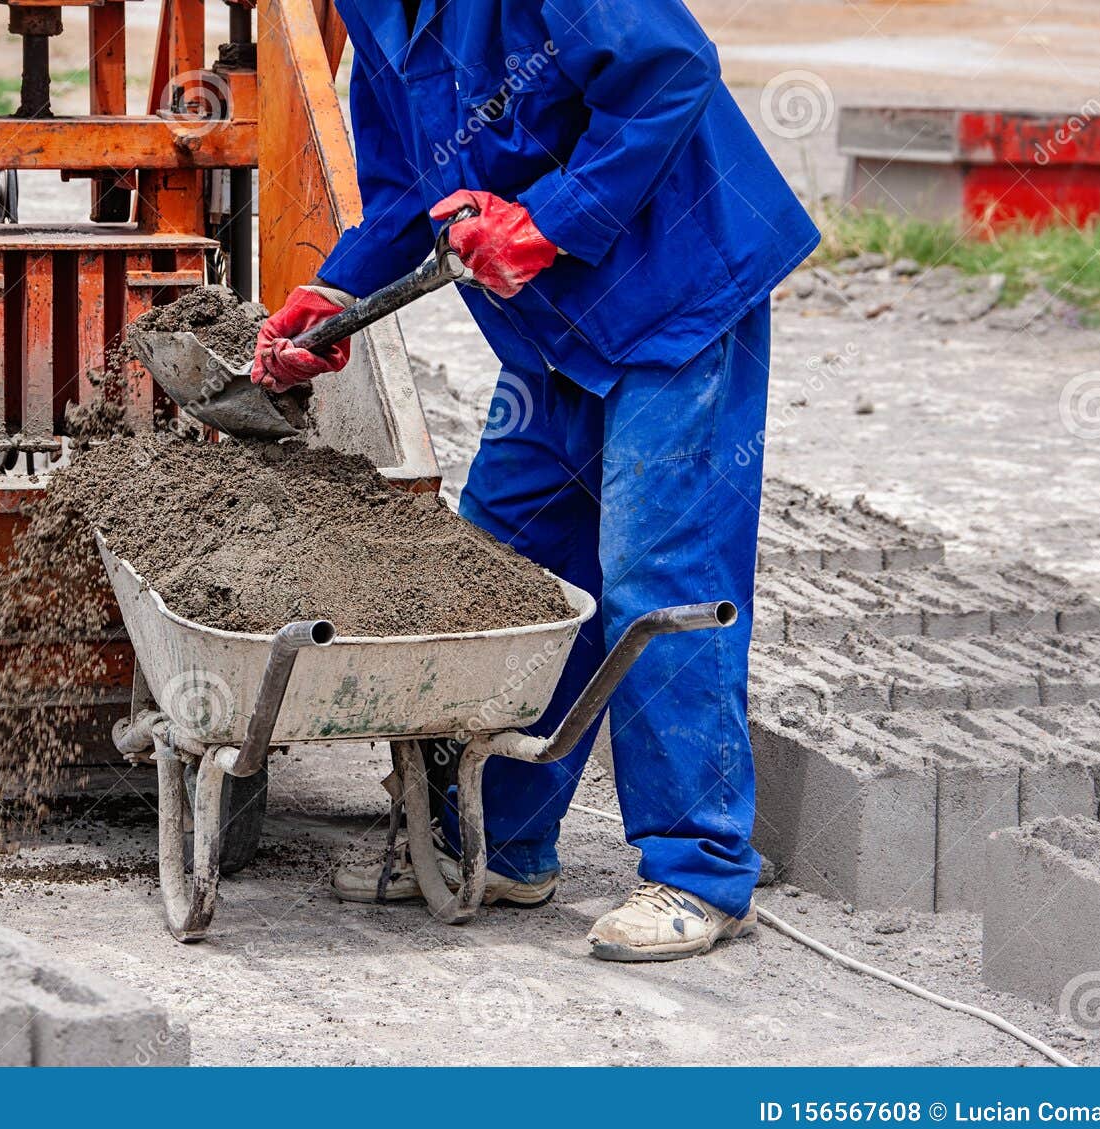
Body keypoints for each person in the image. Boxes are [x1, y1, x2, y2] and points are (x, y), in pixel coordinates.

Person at [251, 0, 819, 962]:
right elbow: (406, 191)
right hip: (555, 335)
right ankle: (501, 845)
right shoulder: (375, 19)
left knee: (656, 569)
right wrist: (340, 292)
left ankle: (699, 871)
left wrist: (547, 222)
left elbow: (673, 68)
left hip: (673, 289)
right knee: (507, 565)